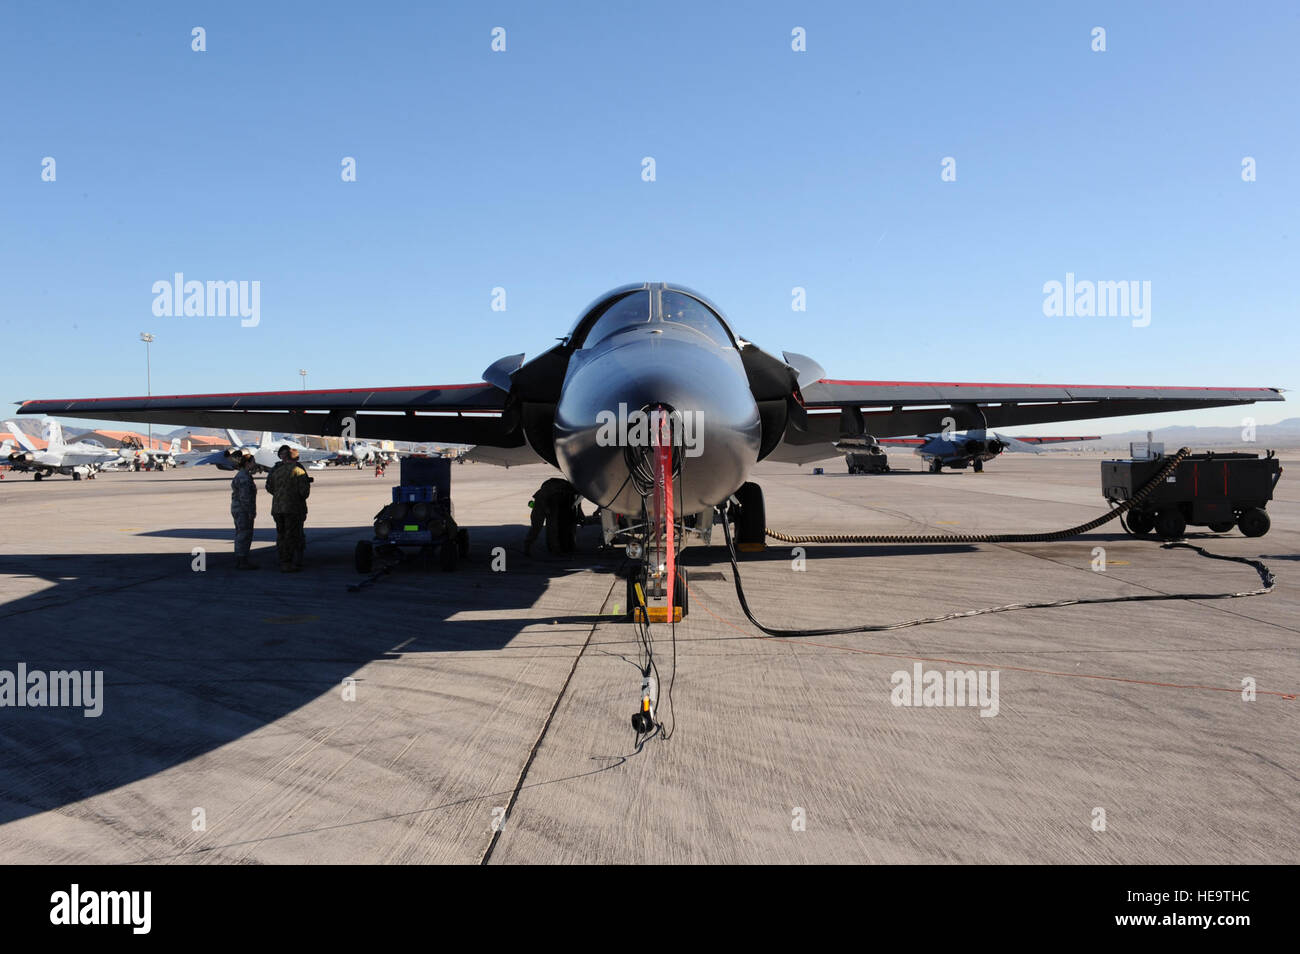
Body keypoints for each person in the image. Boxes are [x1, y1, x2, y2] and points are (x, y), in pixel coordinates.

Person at [265, 444, 311, 572]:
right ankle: (288, 563)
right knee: (292, 536)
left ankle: (282, 559)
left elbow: (269, 487)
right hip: (293, 509)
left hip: (277, 508)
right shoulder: (299, 470)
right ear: (297, 458)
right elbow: (304, 493)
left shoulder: (277, 470)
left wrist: (281, 495)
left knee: (281, 535)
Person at [524, 477, 577, 556]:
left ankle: (555, 549)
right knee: (537, 527)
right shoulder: (557, 486)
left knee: (553, 528)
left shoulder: (570, 490)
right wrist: (546, 508)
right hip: (541, 504)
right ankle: (527, 547)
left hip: (553, 504)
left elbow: (576, 503)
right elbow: (542, 496)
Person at [230, 450, 258, 569]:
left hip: (238, 508)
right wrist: (250, 512)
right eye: (253, 462)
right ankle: (242, 561)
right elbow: (245, 497)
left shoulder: (243, 475)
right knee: (244, 535)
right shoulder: (244, 477)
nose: (254, 465)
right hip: (243, 510)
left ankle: (240, 559)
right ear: (248, 463)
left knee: (241, 533)